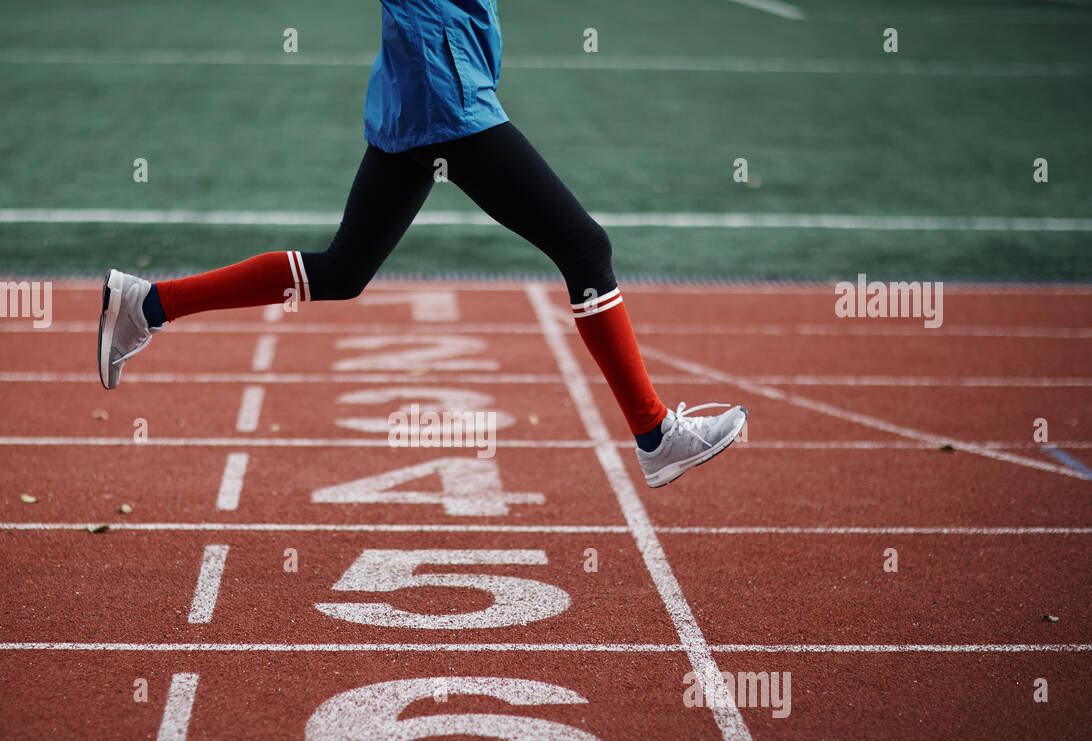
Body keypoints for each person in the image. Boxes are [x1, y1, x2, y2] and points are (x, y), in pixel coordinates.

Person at [99, 0, 745, 488]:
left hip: (424, 95)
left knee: (343, 270)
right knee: (585, 248)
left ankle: (147, 304)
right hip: (447, 98)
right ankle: (654, 433)